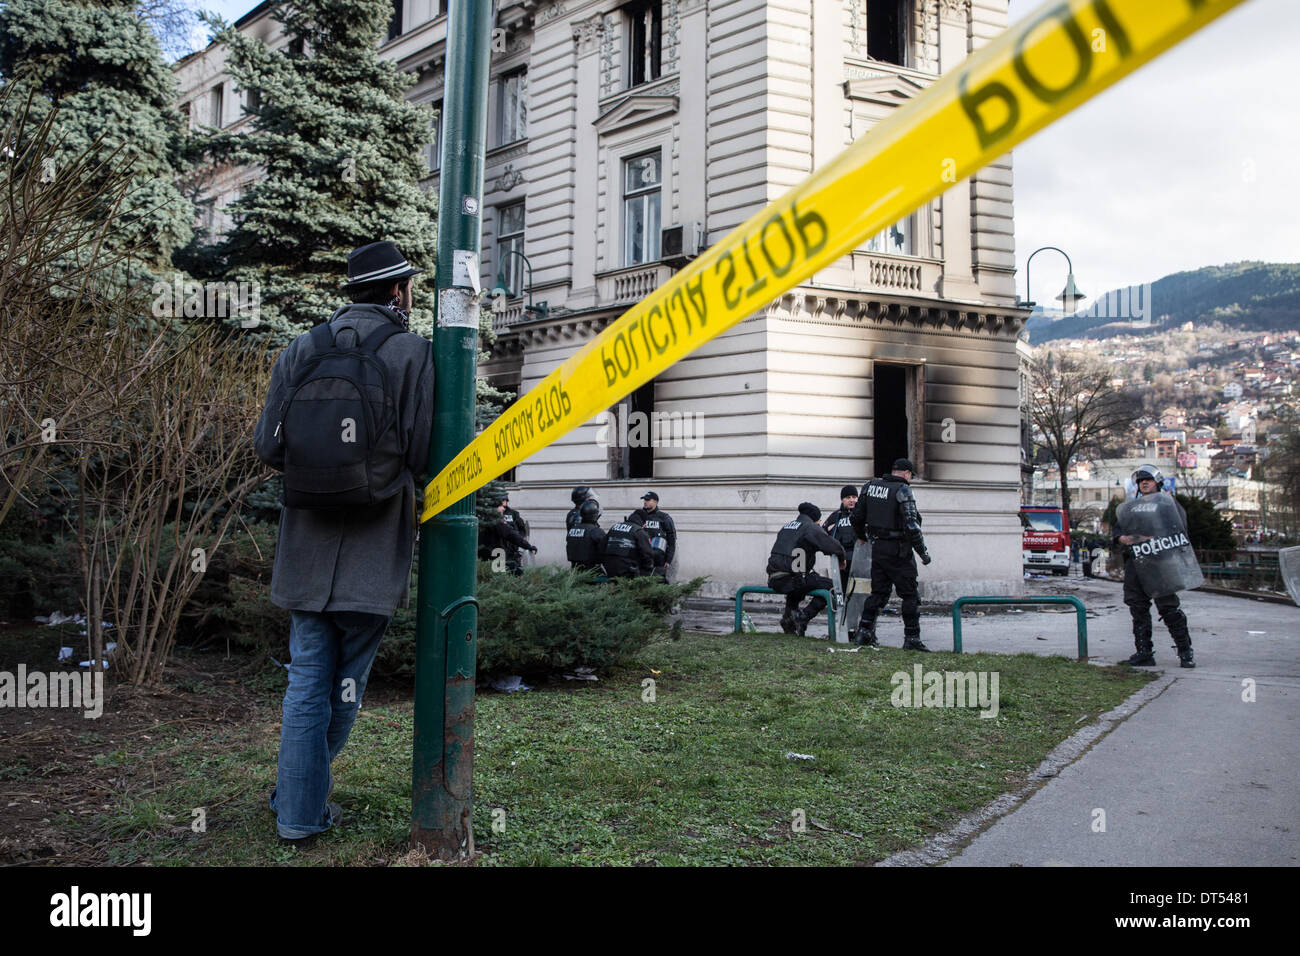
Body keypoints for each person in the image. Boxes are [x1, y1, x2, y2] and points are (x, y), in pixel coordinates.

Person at [253, 240, 433, 844]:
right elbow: (424, 451)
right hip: (372, 553)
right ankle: (300, 806)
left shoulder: (302, 348)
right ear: (397, 292)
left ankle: (295, 803)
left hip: (305, 550)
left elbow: (267, 448)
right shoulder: (412, 352)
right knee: (346, 686)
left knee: (306, 683)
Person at [1113, 467, 1196, 668]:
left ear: (1157, 482)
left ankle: (1185, 651)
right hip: (1136, 562)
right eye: (1141, 481)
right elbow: (1118, 532)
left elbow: (1179, 530)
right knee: (1137, 607)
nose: (1144, 483)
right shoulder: (1131, 507)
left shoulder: (1168, 505)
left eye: (1148, 480)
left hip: (1161, 562)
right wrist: (1122, 538)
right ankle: (1144, 652)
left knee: (1169, 608)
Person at [850, 458, 933, 650]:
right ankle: (911, 638)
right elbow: (912, 526)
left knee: (878, 593)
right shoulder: (903, 490)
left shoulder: (870, 486)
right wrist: (923, 553)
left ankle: (864, 632)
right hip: (899, 550)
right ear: (906, 473)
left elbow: (856, 516)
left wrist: (862, 536)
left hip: (878, 548)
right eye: (910, 476)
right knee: (910, 595)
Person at [766, 502, 845, 636]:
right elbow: (832, 546)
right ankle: (803, 617)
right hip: (790, 579)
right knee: (832, 587)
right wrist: (842, 558)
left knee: (799, 580)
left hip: (774, 578)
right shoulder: (810, 527)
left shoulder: (787, 526)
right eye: (819, 522)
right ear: (815, 519)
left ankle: (788, 619)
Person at [479, 498, 536, 574]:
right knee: (514, 575)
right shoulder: (495, 521)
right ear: (495, 508)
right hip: (496, 557)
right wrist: (528, 546)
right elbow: (510, 534)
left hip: (493, 557)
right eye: (500, 506)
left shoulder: (485, 519)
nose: (503, 509)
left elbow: (519, 531)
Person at [630, 491, 677, 579]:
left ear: (655, 502)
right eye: (644, 500)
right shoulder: (637, 515)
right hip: (640, 558)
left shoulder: (664, 518)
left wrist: (668, 560)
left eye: (648, 500)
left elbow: (671, 541)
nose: (645, 502)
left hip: (658, 560)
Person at [822, 484, 859, 594]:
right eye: (848, 498)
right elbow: (822, 534)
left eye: (854, 497)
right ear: (842, 500)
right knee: (841, 589)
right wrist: (828, 529)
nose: (851, 500)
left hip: (859, 559)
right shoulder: (836, 516)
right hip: (841, 560)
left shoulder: (862, 514)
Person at [600, 511, 654, 578]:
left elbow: (601, 547)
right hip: (628, 570)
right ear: (643, 522)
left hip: (609, 569)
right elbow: (647, 554)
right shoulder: (639, 531)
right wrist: (647, 572)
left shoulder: (614, 527)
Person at [566, 498, 606, 573]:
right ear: (595, 515)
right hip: (592, 573)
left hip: (575, 571)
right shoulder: (595, 531)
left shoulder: (572, 529)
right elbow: (606, 551)